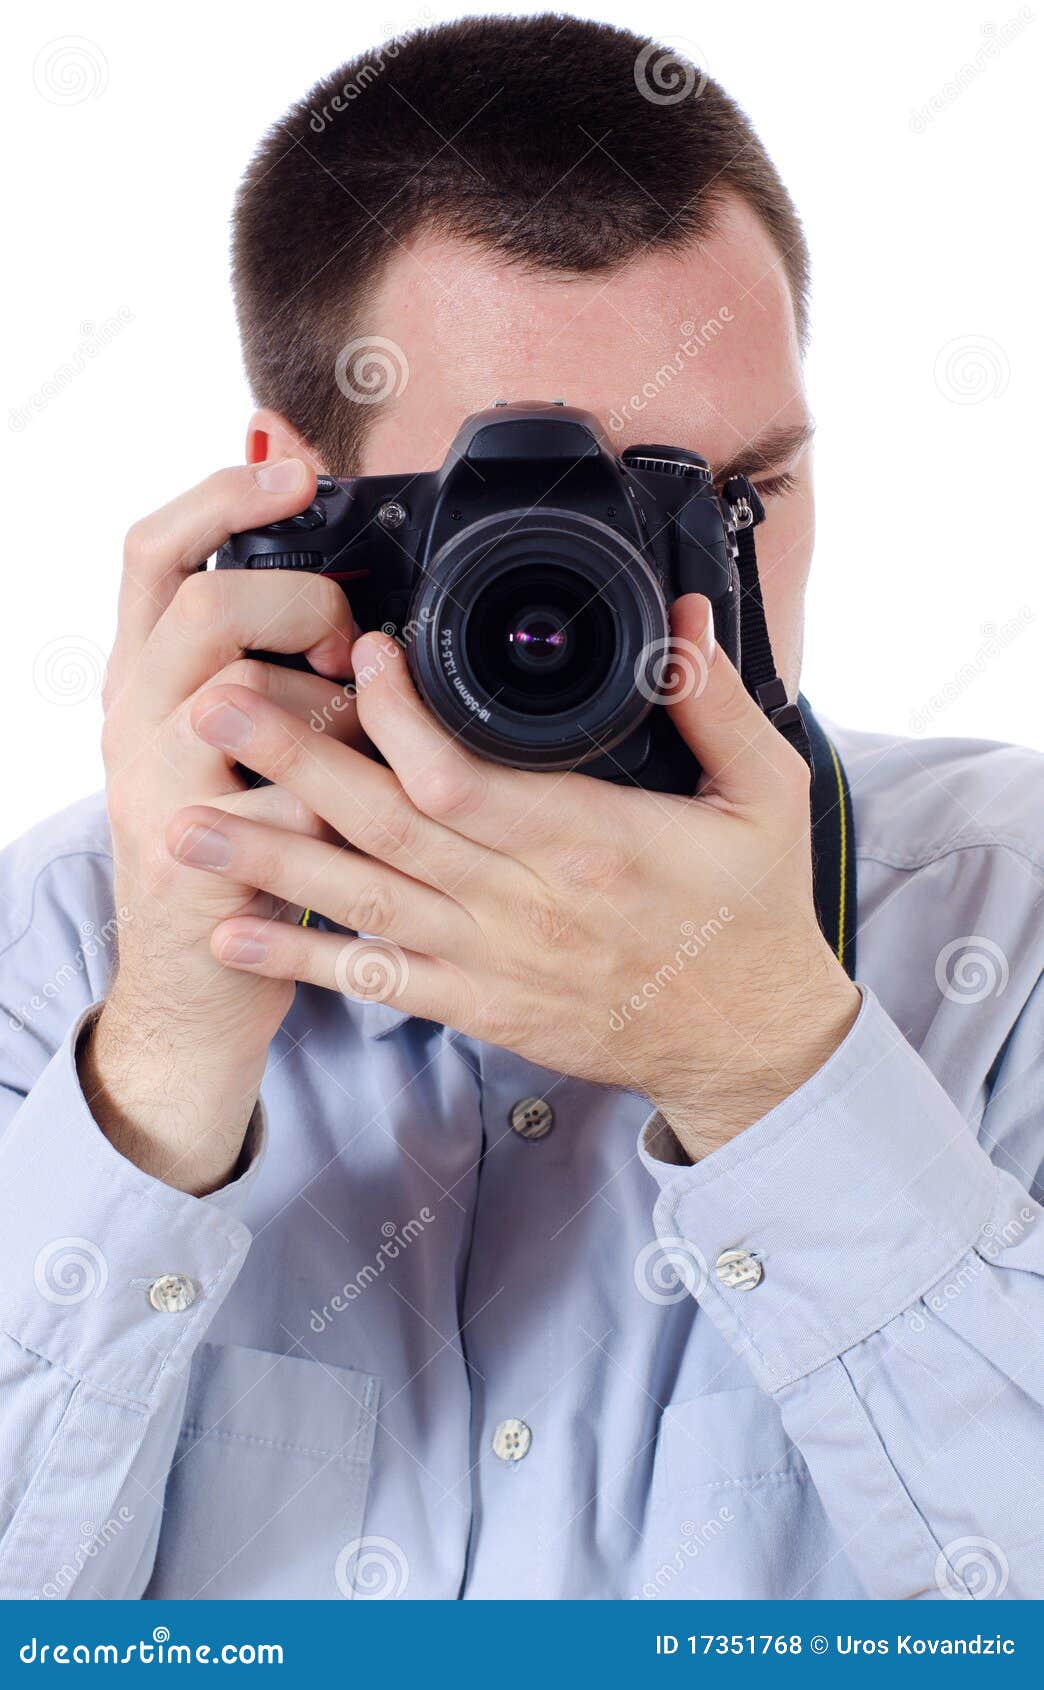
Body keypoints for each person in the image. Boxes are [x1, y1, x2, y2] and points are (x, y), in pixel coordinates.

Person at [0, 15, 1040, 1602]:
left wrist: (776, 1069)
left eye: (737, 497)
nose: (674, 613)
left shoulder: (1004, 931)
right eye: (545, 520)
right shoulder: (65, 946)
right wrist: (157, 1071)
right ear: (296, 503)